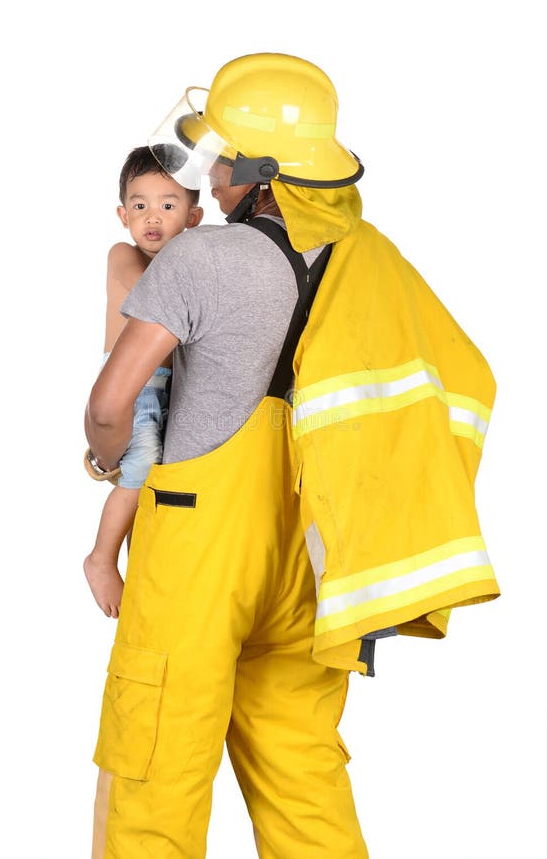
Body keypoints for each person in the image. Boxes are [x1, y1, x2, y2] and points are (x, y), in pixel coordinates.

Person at [85, 53, 500, 858]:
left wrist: (110, 466)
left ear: (256, 171)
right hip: (315, 551)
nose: (210, 174)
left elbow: (110, 403)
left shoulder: (202, 258)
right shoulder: (369, 259)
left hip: (198, 546)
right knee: (302, 774)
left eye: (219, 159)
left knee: (157, 766)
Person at [83, 146, 203, 618]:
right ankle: (100, 558)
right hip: (140, 387)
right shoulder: (123, 255)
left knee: (159, 487)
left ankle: (144, 566)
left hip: (178, 388)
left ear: (192, 216)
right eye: (139, 206)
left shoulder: (189, 257)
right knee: (137, 477)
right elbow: (150, 293)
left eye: (168, 206)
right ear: (122, 214)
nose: (152, 217)